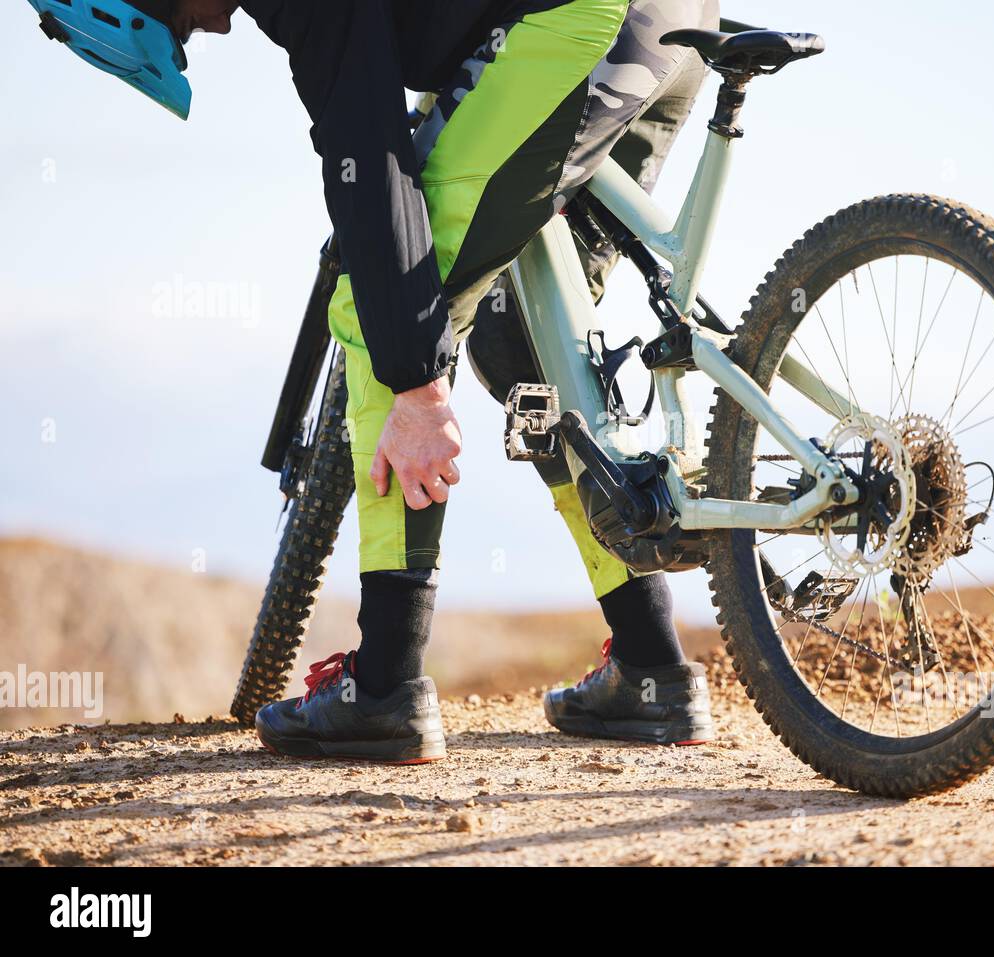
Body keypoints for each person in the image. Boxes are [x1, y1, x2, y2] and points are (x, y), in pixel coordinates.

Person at [27, 0, 720, 762]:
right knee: (523, 324)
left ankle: (385, 682)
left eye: (184, 26)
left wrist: (416, 386)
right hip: (671, 22)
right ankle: (653, 661)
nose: (219, 32)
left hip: (578, 26)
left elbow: (371, 164)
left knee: (377, 303)